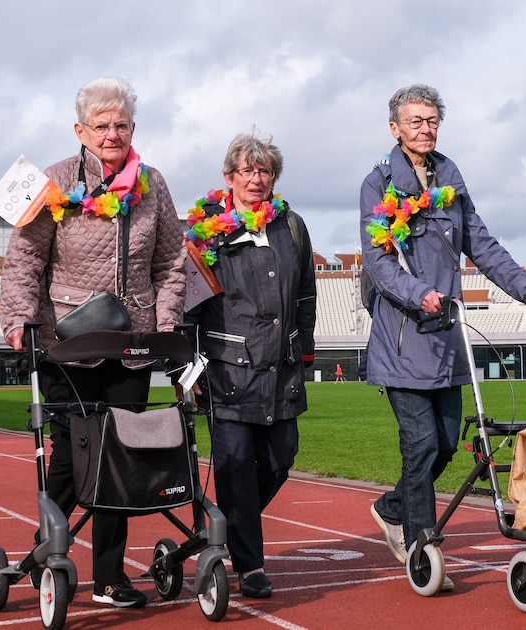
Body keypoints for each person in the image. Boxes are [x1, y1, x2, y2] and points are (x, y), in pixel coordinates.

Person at [359, 84, 526, 589]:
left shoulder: (450, 175)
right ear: (395, 128)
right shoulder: (378, 183)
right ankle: (423, 547)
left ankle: (391, 507)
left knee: (448, 442)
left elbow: (483, 246)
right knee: (421, 443)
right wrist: (419, 293)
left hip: (448, 340)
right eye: (416, 120)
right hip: (403, 338)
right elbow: (379, 264)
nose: (425, 128)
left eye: (432, 120)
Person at [0, 76, 187, 609]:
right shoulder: (55, 181)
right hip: (69, 341)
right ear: (80, 129)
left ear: (133, 129)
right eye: (101, 126)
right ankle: (46, 551)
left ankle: (109, 576)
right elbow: (25, 258)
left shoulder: (153, 184)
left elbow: (172, 261)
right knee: (69, 456)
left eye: (121, 125)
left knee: (123, 453)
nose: (111, 134)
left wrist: (167, 322)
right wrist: (17, 319)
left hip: (134, 340)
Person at [185, 132, 317, 599]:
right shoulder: (204, 230)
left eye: (264, 171)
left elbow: (305, 293)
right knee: (236, 465)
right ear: (229, 177)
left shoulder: (292, 226)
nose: (256, 179)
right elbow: (189, 305)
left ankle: (228, 523)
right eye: (247, 170)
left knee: (282, 458)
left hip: (281, 371)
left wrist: (305, 349)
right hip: (227, 372)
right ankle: (250, 564)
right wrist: (189, 368)